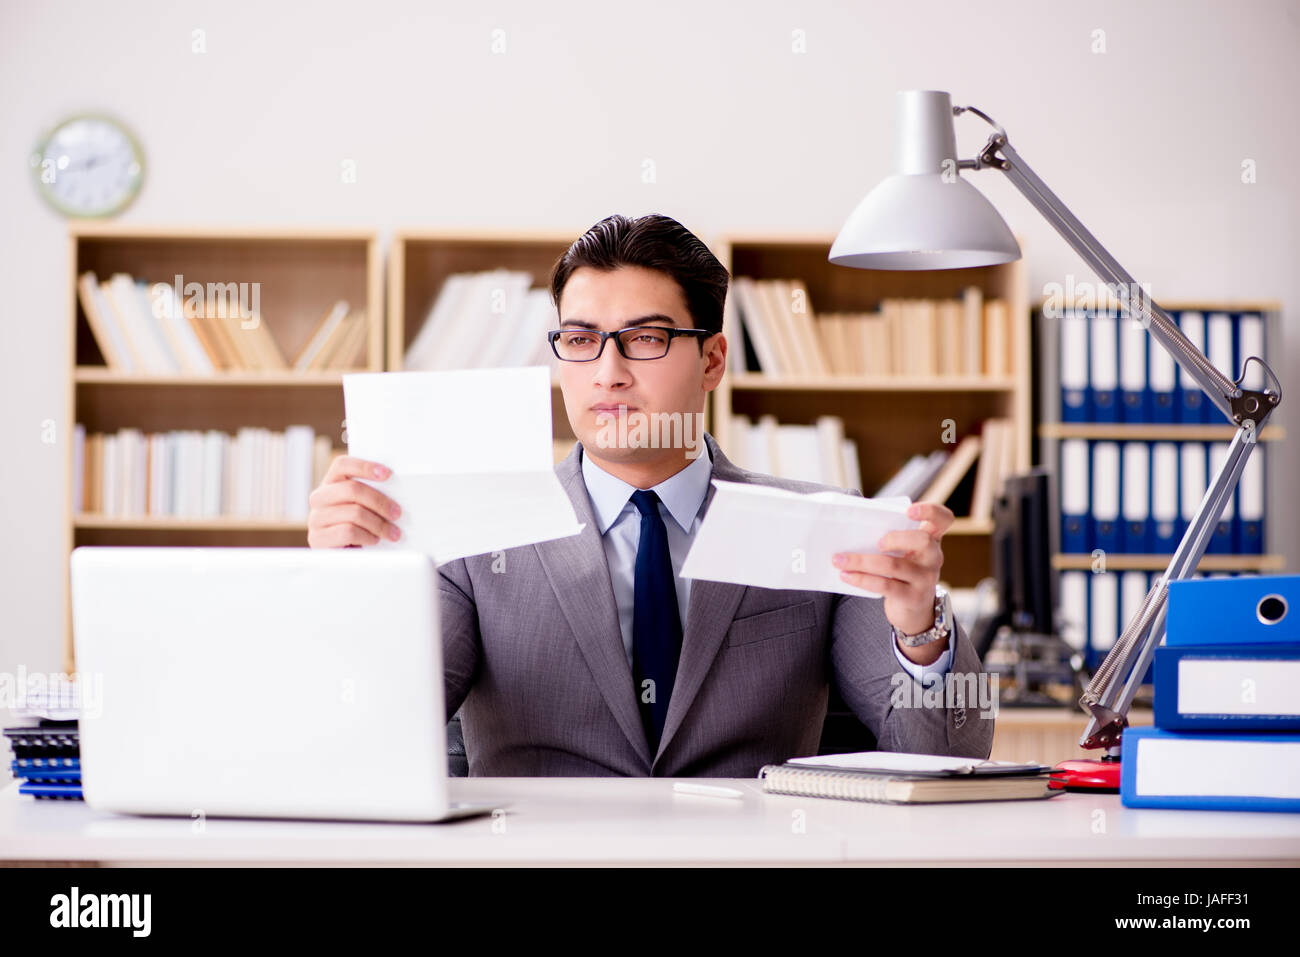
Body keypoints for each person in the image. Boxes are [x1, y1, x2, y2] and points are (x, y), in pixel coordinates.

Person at [307, 213, 995, 775]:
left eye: (644, 338)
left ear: (713, 360)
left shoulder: (818, 526)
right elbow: (363, 736)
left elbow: (946, 757)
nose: (607, 373)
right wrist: (349, 586)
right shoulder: (475, 529)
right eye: (581, 340)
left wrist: (920, 628)